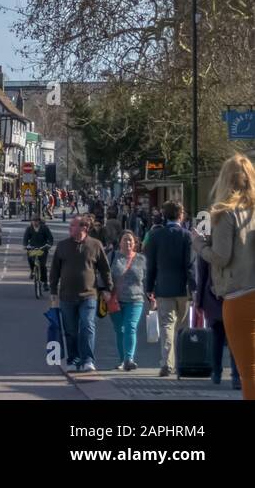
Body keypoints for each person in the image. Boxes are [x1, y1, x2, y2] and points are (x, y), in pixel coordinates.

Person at [193, 153, 255, 399]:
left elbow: (221, 257)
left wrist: (199, 245)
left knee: (249, 372)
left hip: (239, 297)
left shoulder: (224, 213)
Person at [49, 214, 112, 373]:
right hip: (66, 296)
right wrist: (53, 292)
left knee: (87, 326)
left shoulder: (95, 245)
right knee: (70, 330)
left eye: (73, 225)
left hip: (89, 295)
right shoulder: (62, 246)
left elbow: (105, 269)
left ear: (84, 228)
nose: (70, 228)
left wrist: (107, 289)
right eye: (70, 226)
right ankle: (73, 359)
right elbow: (54, 270)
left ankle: (88, 360)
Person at [145, 201, 194, 378]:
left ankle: (167, 363)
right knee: (181, 327)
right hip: (182, 289)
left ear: (164, 215)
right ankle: (181, 362)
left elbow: (151, 265)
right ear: (181, 215)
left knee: (166, 325)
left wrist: (149, 288)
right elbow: (189, 265)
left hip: (163, 287)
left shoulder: (156, 236)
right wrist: (193, 288)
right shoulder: (187, 236)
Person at [196, 251, 241, 389]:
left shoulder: (208, 245)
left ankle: (217, 373)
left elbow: (202, 275)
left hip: (214, 296)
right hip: (234, 294)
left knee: (217, 337)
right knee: (234, 338)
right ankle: (236, 377)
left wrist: (199, 301)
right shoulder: (238, 241)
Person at [108, 231, 147, 371]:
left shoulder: (142, 259)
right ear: (120, 242)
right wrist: (105, 293)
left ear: (135, 243)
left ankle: (129, 359)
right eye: (125, 240)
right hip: (115, 300)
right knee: (120, 330)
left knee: (130, 327)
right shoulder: (112, 256)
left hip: (135, 299)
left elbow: (147, 280)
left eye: (130, 240)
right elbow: (104, 275)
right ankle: (122, 359)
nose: (128, 242)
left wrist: (152, 296)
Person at [23, 215, 54, 290]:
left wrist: (49, 245)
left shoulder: (44, 228)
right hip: (33, 248)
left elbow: (50, 238)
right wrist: (26, 245)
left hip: (42, 248)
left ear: (39, 221)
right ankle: (32, 271)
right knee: (30, 258)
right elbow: (25, 239)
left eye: (36, 221)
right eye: (33, 221)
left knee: (43, 265)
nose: (34, 222)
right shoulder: (29, 229)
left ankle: (45, 283)